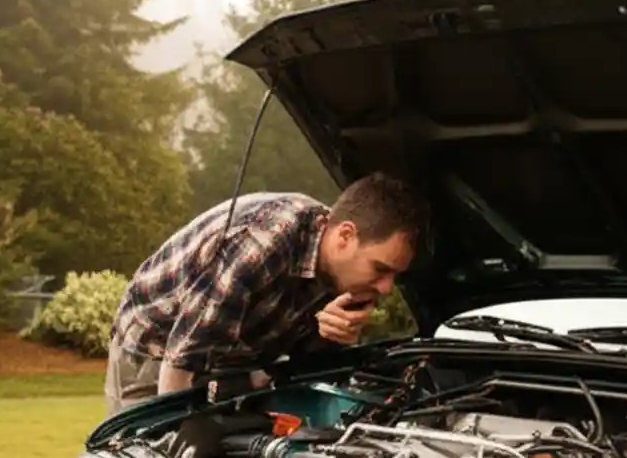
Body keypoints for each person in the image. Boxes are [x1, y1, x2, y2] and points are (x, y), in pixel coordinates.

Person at [103, 171, 429, 415]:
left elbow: (306, 366)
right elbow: (184, 356)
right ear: (345, 235)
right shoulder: (263, 241)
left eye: (395, 275)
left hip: (236, 360)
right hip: (155, 350)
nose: (386, 288)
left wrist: (330, 337)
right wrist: (172, 439)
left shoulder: (345, 272)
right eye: (381, 269)